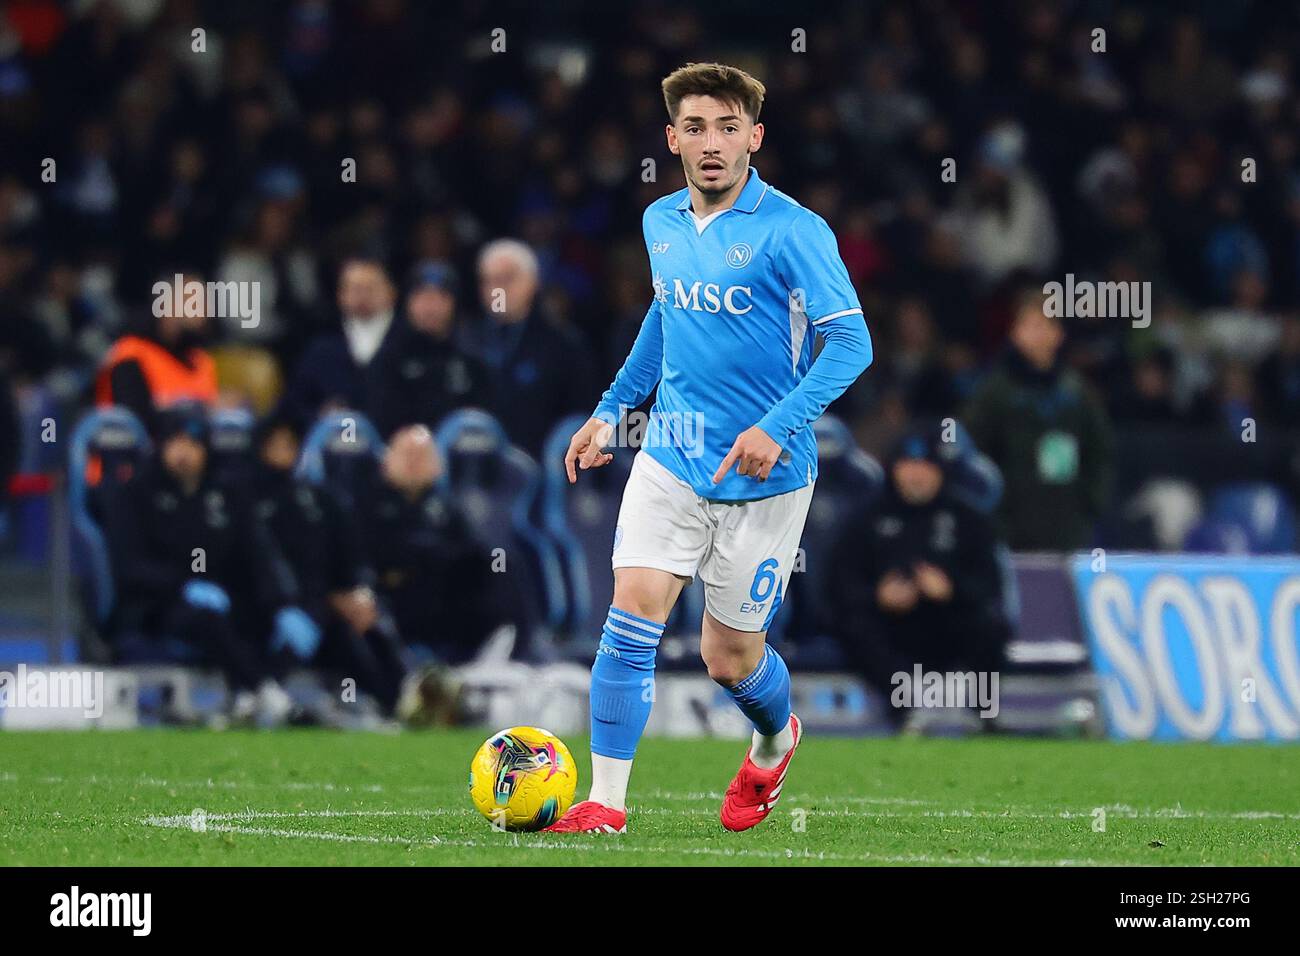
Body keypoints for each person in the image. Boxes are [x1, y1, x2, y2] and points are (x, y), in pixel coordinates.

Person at [550, 63, 873, 833]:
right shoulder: (660, 222)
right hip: (671, 455)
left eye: (729, 128)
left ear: (755, 138)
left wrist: (777, 426)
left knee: (727, 658)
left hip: (767, 476)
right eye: (695, 128)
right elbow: (664, 321)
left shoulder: (795, 230)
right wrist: (610, 409)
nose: (713, 143)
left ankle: (774, 737)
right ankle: (606, 804)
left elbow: (851, 343)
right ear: (672, 139)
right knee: (629, 615)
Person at [100, 403, 314, 725]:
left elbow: (256, 553)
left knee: (275, 618)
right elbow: (129, 568)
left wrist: (281, 603)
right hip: (154, 607)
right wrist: (182, 584)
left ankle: (247, 697)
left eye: (193, 443)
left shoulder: (226, 494)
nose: (184, 452)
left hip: (218, 599)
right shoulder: (135, 495)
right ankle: (264, 691)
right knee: (207, 617)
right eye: (175, 441)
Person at [826, 422, 1011, 730]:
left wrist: (950, 591)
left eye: (926, 466)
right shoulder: (865, 519)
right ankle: (903, 710)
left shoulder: (968, 519)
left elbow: (990, 585)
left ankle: (985, 714)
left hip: (948, 622)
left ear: (941, 471)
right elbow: (838, 586)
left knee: (990, 625)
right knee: (855, 626)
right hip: (890, 625)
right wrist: (878, 596)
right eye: (907, 465)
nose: (916, 474)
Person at [251, 411, 409, 714]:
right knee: (338, 636)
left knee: (370, 630)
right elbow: (257, 563)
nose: (283, 452)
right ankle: (261, 693)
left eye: (289, 444)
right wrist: (298, 601)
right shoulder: (245, 498)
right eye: (275, 444)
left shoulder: (323, 500)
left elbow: (352, 557)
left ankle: (401, 701)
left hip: (323, 609)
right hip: (272, 608)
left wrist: (360, 591)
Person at [962, 288, 1114, 551]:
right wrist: (993, 515)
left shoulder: (1077, 391)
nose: (1038, 334)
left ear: (1059, 333)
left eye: (1046, 325)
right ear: (1015, 332)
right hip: (1011, 528)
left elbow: (1100, 451)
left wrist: (1090, 504)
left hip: (1068, 527)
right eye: (1030, 325)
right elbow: (972, 450)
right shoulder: (995, 391)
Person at [356, 425, 504, 664]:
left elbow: (471, 559)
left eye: (422, 456)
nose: (414, 463)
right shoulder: (364, 507)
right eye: (407, 454)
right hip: (392, 614)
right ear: (386, 460)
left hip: (445, 617)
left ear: (437, 464)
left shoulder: (447, 508)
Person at [458, 239, 595, 457]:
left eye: (506, 279)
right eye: (489, 281)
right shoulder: (464, 340)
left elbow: (579, 416)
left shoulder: (563, 344)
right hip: (475, 468)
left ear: (532, 282)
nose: (497, 290)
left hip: (545, 465)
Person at [369, 261, 491, 439]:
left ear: (454, 303)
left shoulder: (472, 360)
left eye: (440, 297)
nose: (430, 306)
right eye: (421, 296)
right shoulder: (388, 360)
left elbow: (485, 420)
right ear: (408, 302)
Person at [94, 272, 218, 432]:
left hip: (191, 450)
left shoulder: (201, 360)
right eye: (194, 302)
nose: (204, 311)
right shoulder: (131, 353)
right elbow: (132, 422)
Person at [287, 256, 400, 424]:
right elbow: (296, 404)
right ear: (341, 295)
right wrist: (320, 416)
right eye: (355, 289)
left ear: (391, 292)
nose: (363, 296)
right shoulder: (322, 347)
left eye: (370, 288)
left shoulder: (410, 342)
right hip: (335, 443)